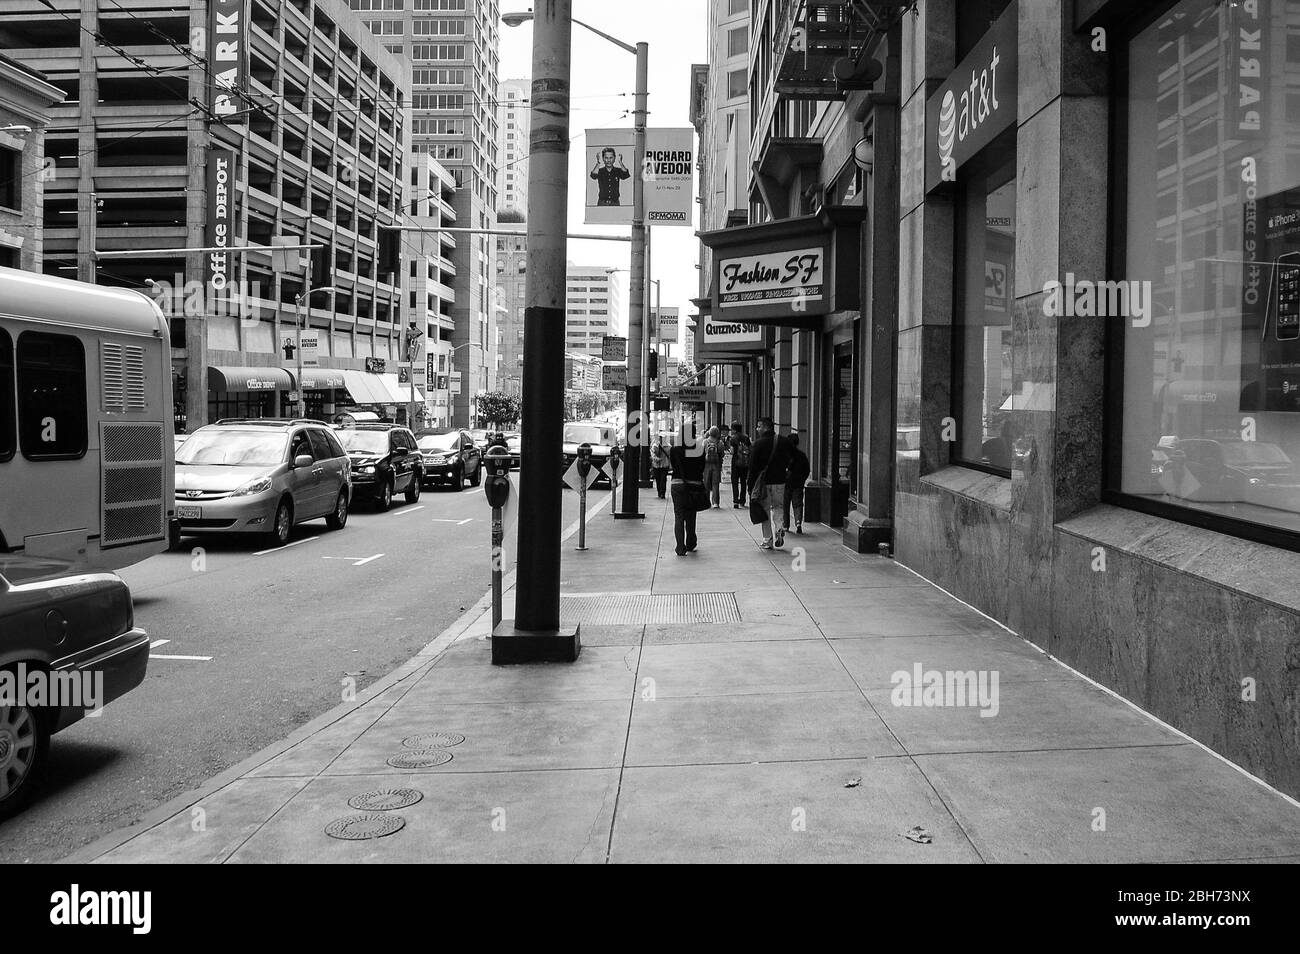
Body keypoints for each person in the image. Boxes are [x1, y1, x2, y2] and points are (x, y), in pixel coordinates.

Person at [747, 416, 793, 549]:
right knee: (779, 507)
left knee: (765, 510)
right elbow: (792, 459)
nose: (757, 429)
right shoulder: (784, 442)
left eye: (759, 426)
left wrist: (750, 487)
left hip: (764, 483)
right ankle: (779, 528)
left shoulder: (758, 444)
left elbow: (752, 467)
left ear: (766, 427)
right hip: (780, 481)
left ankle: (768, 540)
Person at [669, 419, 706, 556]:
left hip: (678, 484)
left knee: (679, 515)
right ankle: (691, 542)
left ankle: (680, 547)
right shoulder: (698, 448)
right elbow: (702, 466)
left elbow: (673, 465)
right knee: (691, 514)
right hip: (694, 485)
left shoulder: (675, 449)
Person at [783, 432, 811, 534]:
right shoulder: (802, 455)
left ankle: (786, 525)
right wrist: (802, 479)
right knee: (798, 503)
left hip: (786, 484)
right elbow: (807, 470)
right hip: (798, 483)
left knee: (785, 505)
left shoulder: (785, 455)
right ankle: (798, 522)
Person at [727, 422, 751, 509]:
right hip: (744, 463)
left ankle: (735, 501)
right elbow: (749, 449)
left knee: (735, 482)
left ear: (734, 429)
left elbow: (732, 451)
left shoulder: (733, 439)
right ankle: (742, 500)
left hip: (736, 462)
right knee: (743, 482)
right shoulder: (746, 437)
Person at [701, 425, 724, 508]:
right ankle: (716, 502)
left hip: (707, 465)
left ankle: (706, 501)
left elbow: (702, 453)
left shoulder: (705, 442)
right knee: (715, 484)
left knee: (706, 483)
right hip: (716, 465)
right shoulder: (720, 442)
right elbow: (722, 454)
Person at [650, 433, 671, 499]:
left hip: (664, 465)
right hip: (656, 465)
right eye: (660, 438)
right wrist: (657, 459)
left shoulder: (668, 446)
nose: (660, 439)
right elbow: (653, 454)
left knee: (663, 479)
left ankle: (662, 493)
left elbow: (669, 454)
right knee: (658, 479)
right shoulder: (655, 446)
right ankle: (659, 491)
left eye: (662, 438)